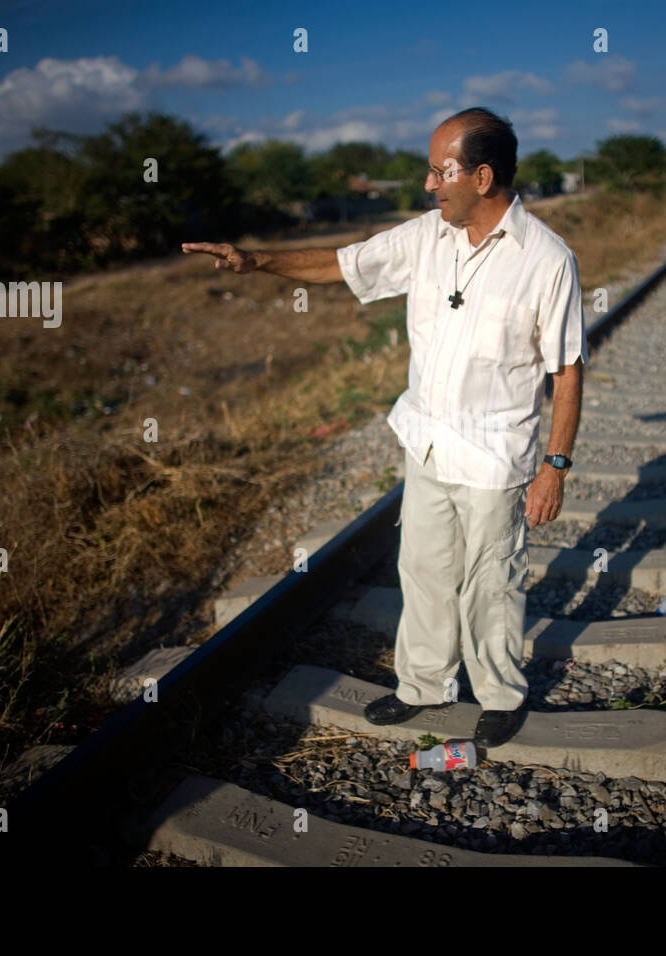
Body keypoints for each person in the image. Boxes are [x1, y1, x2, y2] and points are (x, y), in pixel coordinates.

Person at [182, 107, 588, 749]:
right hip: (427, 442)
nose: (429, 185)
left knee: (491, 583)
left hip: (494, 457)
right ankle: (423, 687)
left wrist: (554, 467)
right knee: (423, 570)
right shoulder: (427, 237)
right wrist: (256, 260)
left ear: (481, 177)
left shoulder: (546, 259)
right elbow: (343, 265)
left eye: (438, 172)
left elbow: (567, 371)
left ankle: (501, 694)